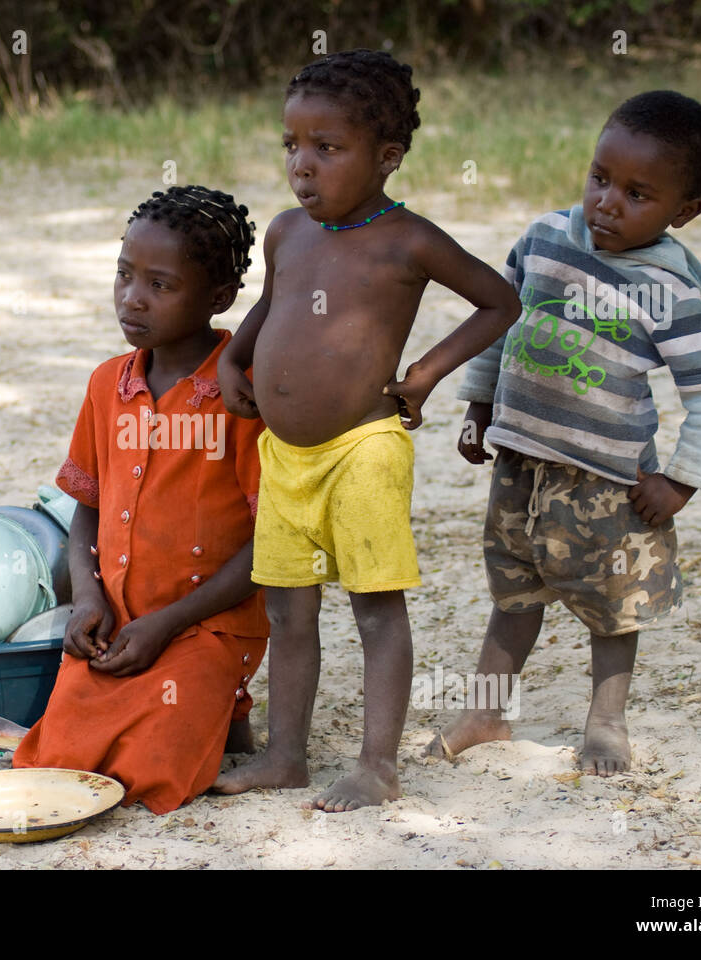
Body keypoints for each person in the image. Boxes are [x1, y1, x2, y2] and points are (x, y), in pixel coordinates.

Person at [212, 50, 522, 811]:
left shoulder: (406, 241)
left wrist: (425, 373)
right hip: (283, 453)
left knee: (375, 606)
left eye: (327, 148)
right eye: (291, 146)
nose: (302, 166)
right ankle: (286, 753)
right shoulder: (287, 233)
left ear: (387, 157)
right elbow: (271, 304)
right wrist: (235, 361)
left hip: (364, 450)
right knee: (286, 608)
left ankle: (377, 765)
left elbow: (498, 301)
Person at [428, 91, 701, 776]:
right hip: (522, 466)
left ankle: (604, 723)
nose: (607, 202)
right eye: (600, 178)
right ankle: (487, 711)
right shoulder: (543, 240)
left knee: (612, 606)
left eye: (637, 194)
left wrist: (682, 479)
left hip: (608, 484)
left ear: (683, 213)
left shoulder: (667, 291)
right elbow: (498, 320)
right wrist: (480, 405)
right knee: (513, 593)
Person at [13, 186, 270, 814]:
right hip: (120, 625)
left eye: (160, 284)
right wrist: (88, 595)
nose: (132, 297)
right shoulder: (108, 384)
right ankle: (212, 710)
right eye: (125, 275)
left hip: (207, 622)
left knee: (155, 775)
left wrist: (169, 623)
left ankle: (221, 700)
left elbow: (273, 539)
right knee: (57, 761)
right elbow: (86, 507)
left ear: (217, 298)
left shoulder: (243, 393)